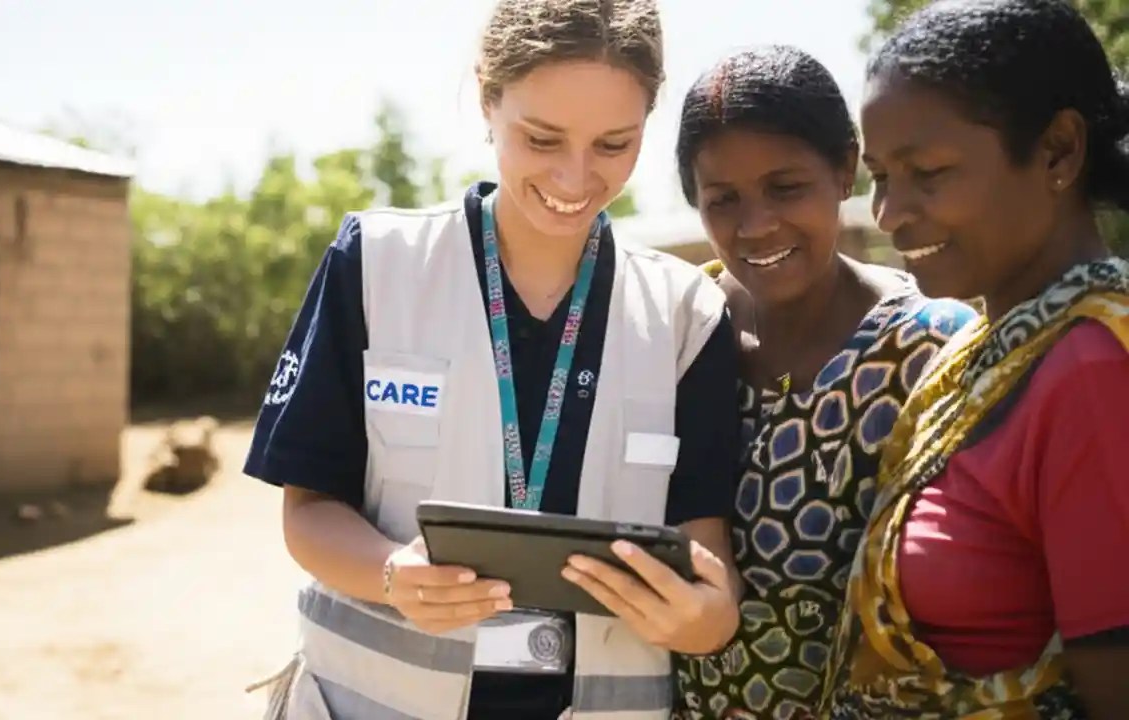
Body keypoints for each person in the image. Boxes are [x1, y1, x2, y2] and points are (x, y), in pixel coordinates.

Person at [244, 1, 745, 718]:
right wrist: (391, 574)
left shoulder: (686, 317)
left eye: (614, 144)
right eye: (542, 138)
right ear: (487, 96)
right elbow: (308, 513)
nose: (575, 178)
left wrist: (707, 619)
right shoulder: (376, 266)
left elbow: (709, 561)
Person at [820, 1, 1129, 717]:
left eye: (927, 172)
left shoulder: (1093, 374)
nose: (890, 212)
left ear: (1058, 151)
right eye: (880, 176)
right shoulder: (983, 352)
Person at [667, 46, 978, 720]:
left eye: (785, 188)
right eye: (723, 200)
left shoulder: (930, 345)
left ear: (844, 170)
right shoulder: (680, 335)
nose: (756, 225)